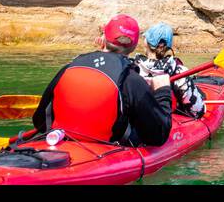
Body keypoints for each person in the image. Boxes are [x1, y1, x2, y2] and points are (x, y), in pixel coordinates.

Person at [33, 14, 173, 146]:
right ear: (134, 46)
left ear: (104, 38)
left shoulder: (69, 68)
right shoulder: (132, 80)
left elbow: (40, 121)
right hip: (106, 150)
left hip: (62, 141)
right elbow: (159, 136)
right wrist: (163, 92)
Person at [134, 22, 206, 117]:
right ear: (168, 46)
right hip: (165, 121)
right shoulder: (178, 72)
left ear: (146, 43)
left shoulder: (132, 67)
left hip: (137, 120)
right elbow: (196, 109)